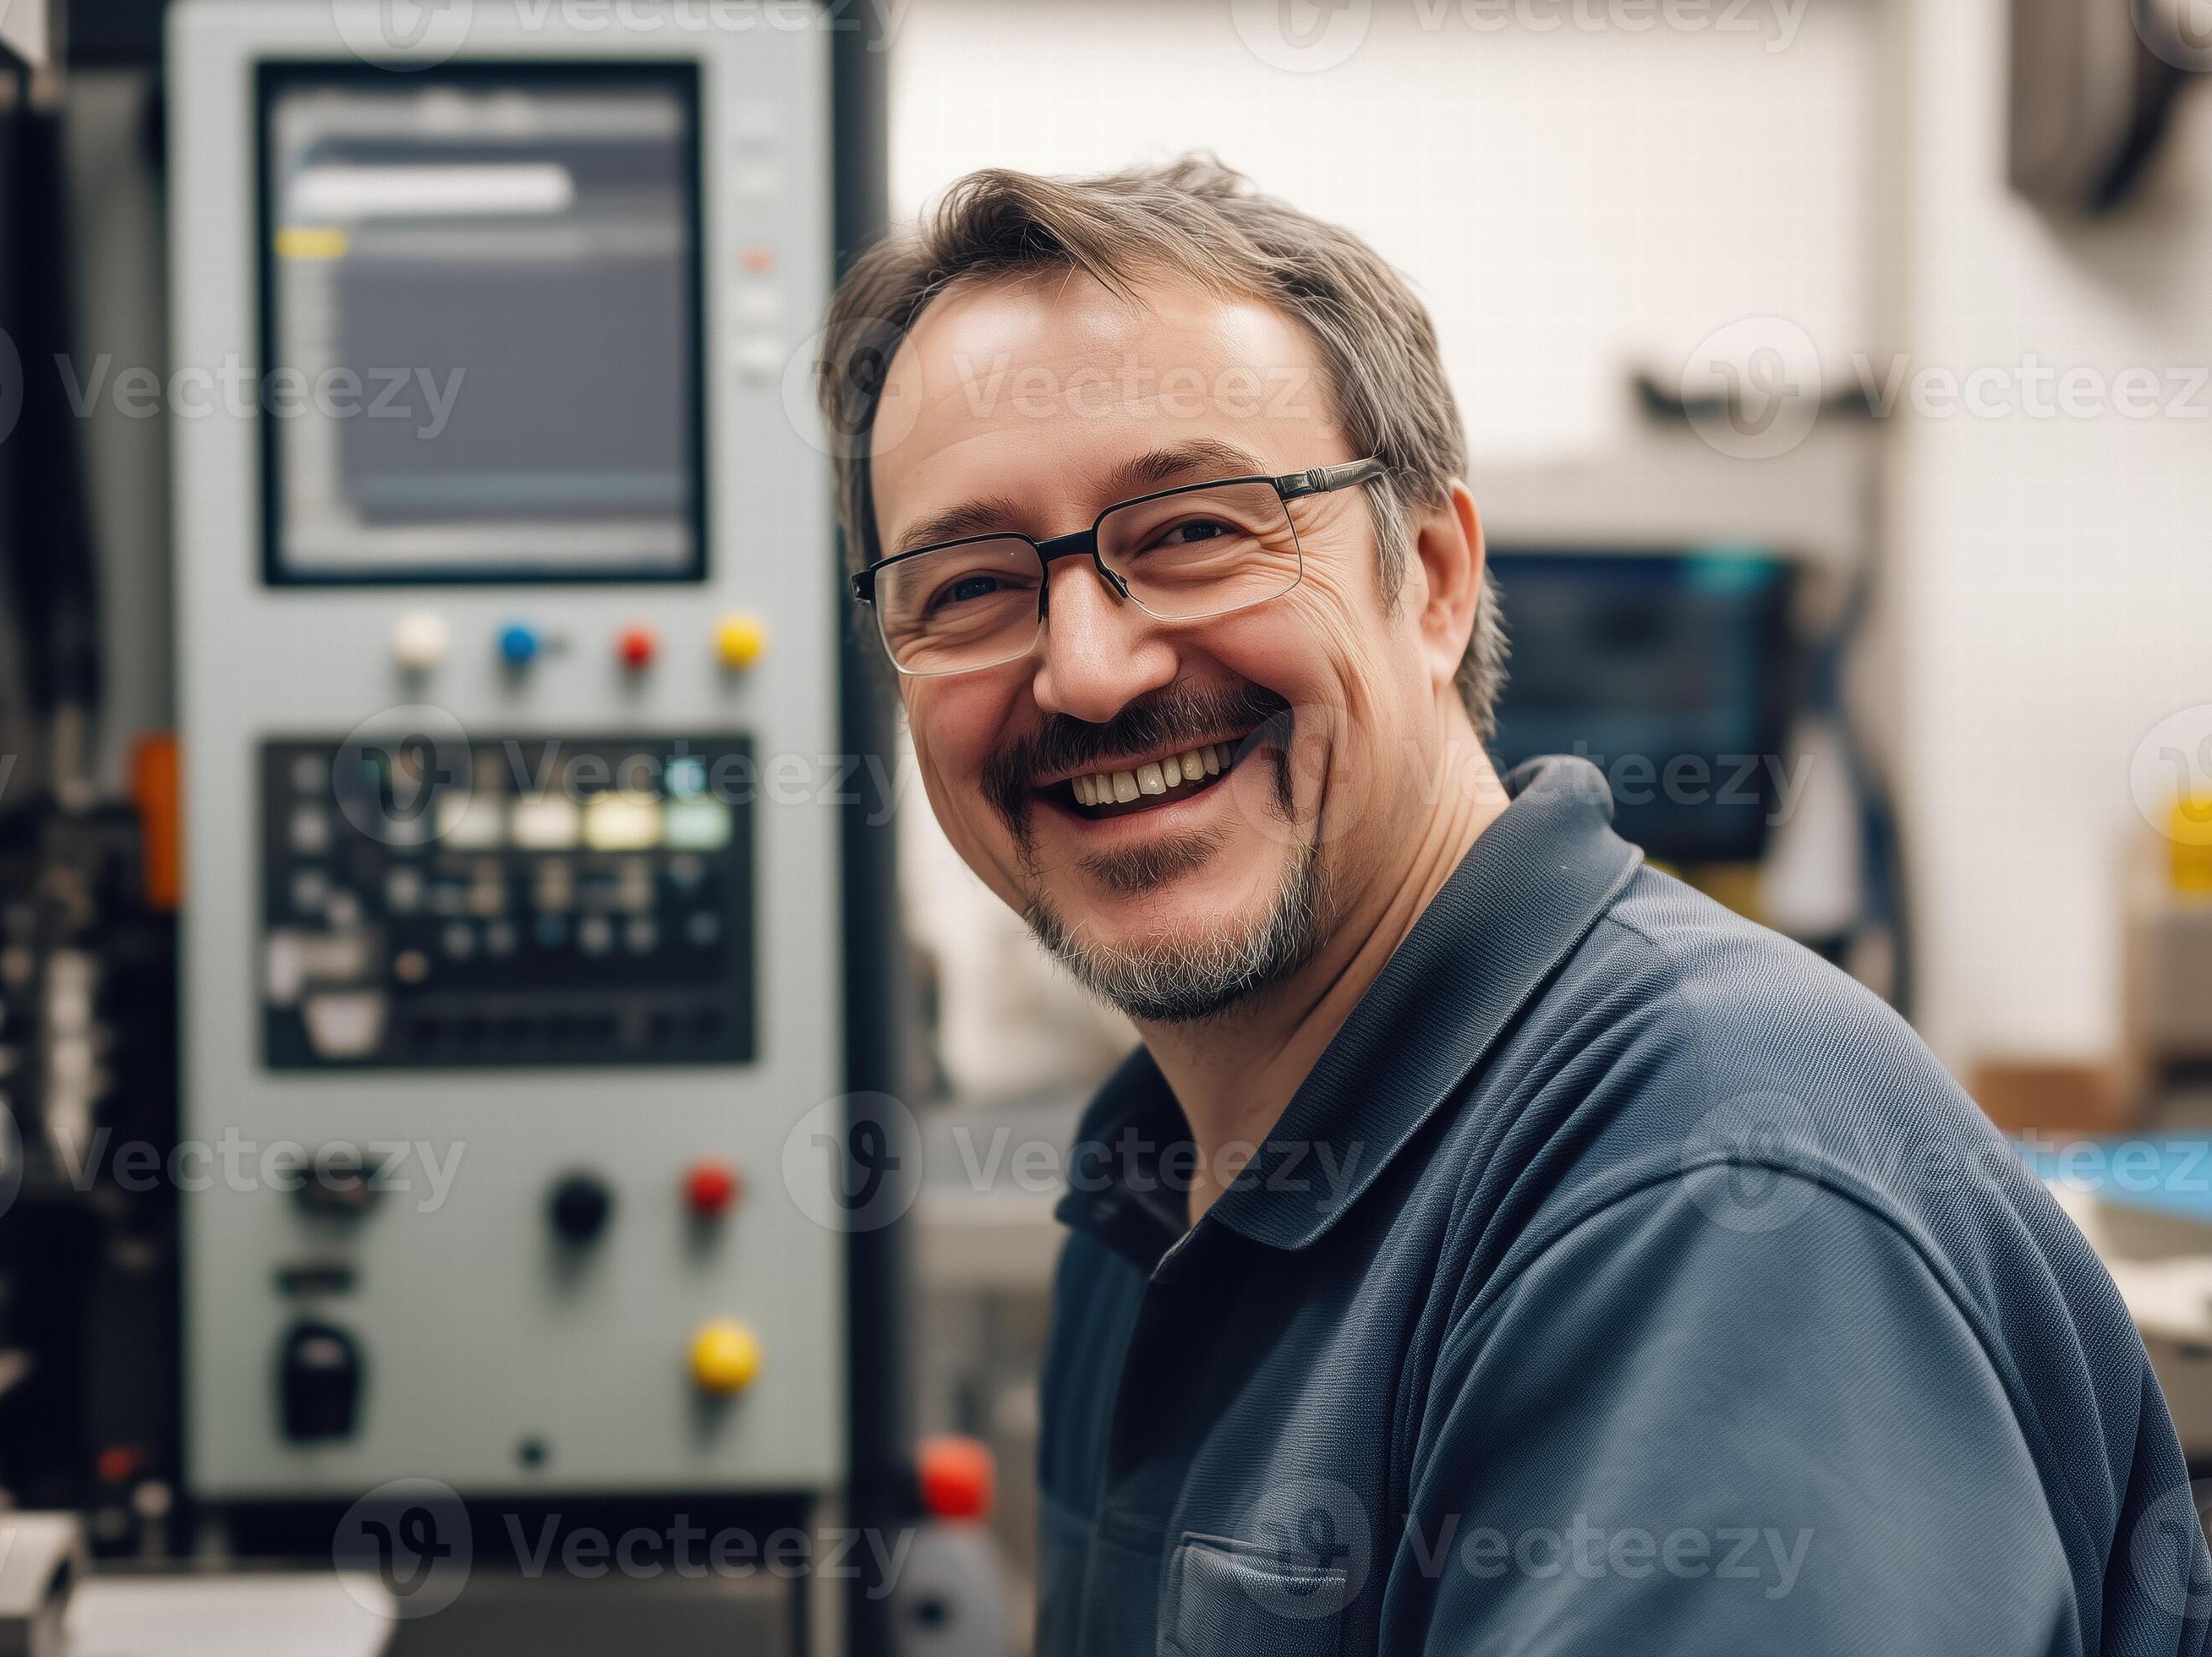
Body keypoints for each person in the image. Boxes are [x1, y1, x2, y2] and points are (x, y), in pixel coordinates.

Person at [816, 157, 2212, 1654]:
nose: (1087, 671)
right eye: (966, 586)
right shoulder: (1155, 1184)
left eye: (1193, 531)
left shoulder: (1708, 1204)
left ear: (1430, 579)